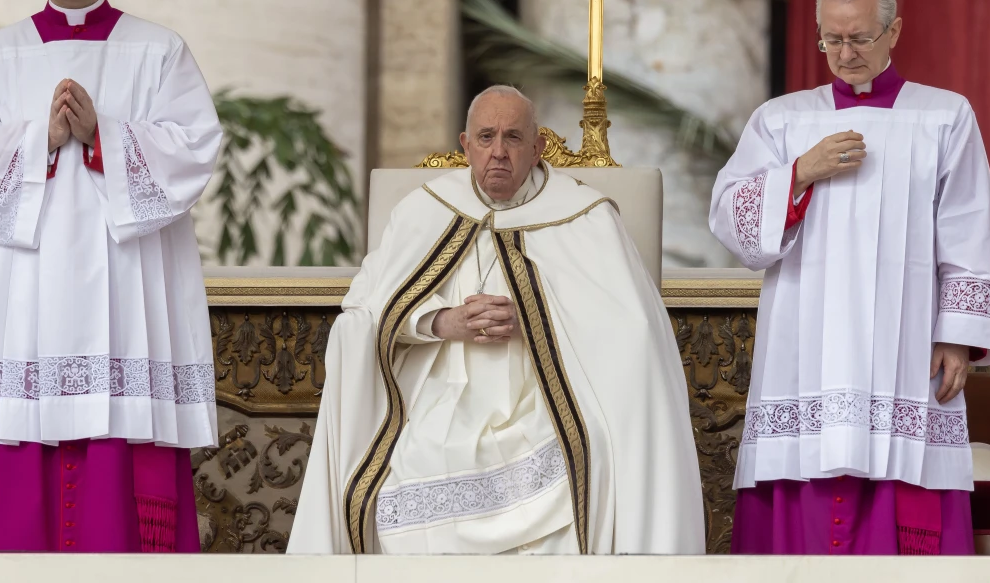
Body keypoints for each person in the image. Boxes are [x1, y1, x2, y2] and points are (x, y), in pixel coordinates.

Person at [290, 85, 703, 555]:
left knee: (577, 467)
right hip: (437, 392)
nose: (499, 153)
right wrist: (441, 322)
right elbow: (362, 313)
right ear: (465, 145)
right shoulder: (423, 209)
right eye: (486, 138)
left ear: (537, 147)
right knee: (417, 457)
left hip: (548, 401)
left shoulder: (586, 217)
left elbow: (635, 334)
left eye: (513, 138)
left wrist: (535, 322)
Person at [0, 0, 222, 552]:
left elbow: (195, 149)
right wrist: (40, 137)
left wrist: (104, 135)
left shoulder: (158, 51)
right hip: (25, 293)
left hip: (125, 287)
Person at [710, 0, 990, 555]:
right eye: (831, 40)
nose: (845, 54)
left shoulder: (944, 116)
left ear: (893, 31)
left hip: (905, 345)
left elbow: (970, 229)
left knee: (901, 463)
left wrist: (956, 338)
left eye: (860, 39)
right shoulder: (782, 120)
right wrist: (799, 173)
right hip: (806, 339)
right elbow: (730, 218)